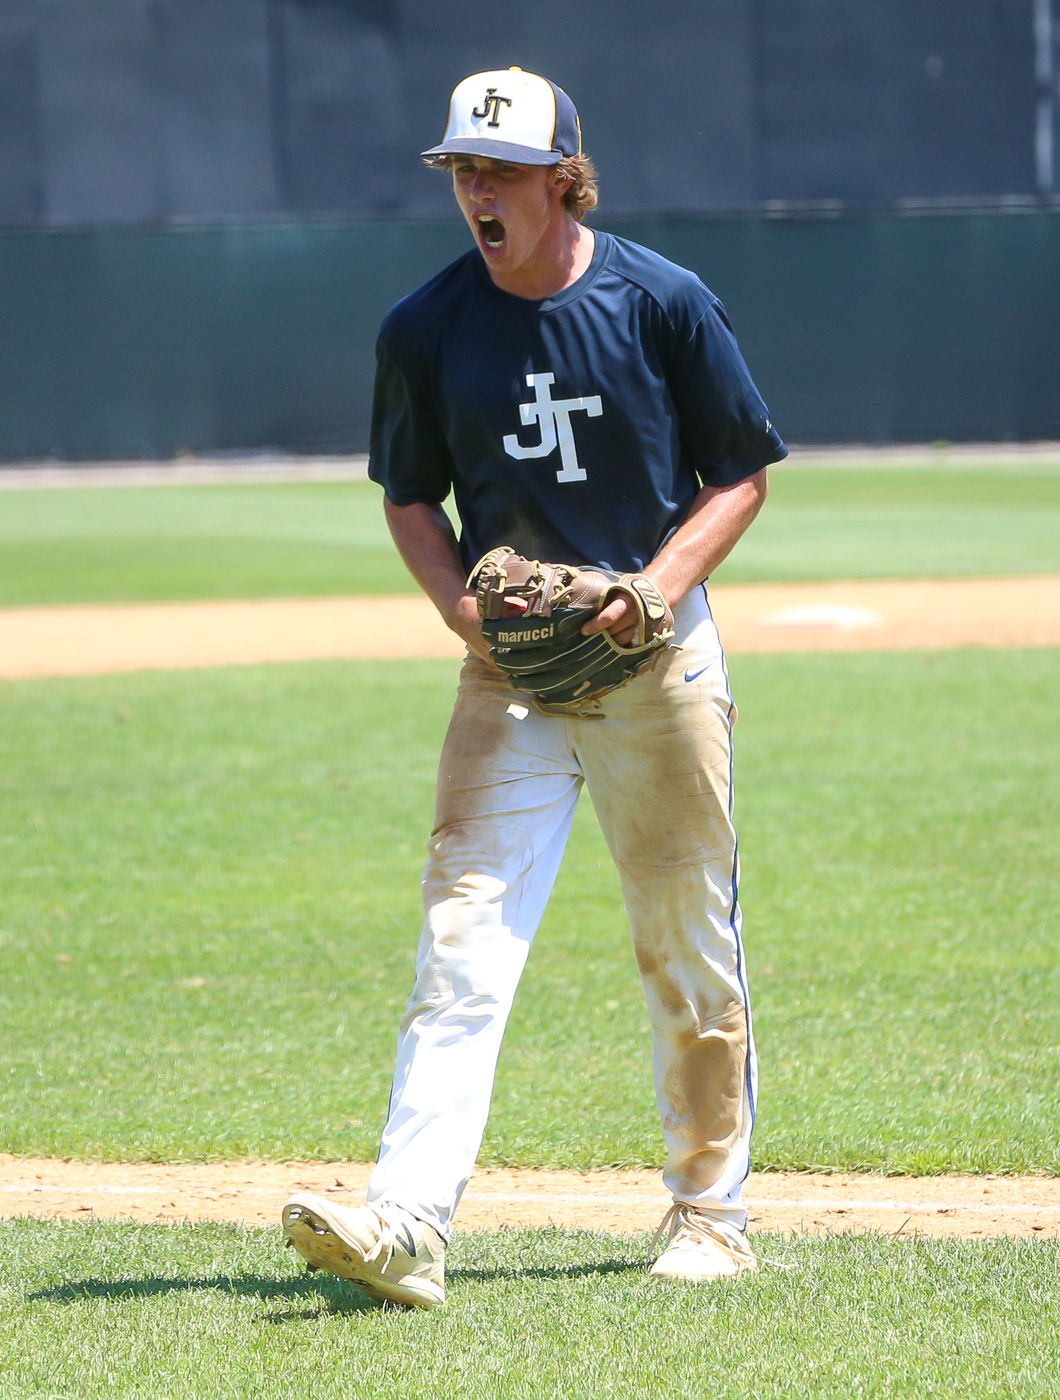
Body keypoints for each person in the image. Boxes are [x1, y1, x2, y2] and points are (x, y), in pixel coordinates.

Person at [283, 66, 787, 1309]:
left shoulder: (662, 301)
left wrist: (654, 590)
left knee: (686, 946)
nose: (476, 193)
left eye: (498, 171)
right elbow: (409, 494)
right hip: (507, 677)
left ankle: (710, 1215)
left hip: (656, 664)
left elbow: (738, 474)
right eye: (461, 170)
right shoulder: (425, 325)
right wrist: (462, 609)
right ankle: (406, 1222)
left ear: (564, 177)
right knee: (461, 941)